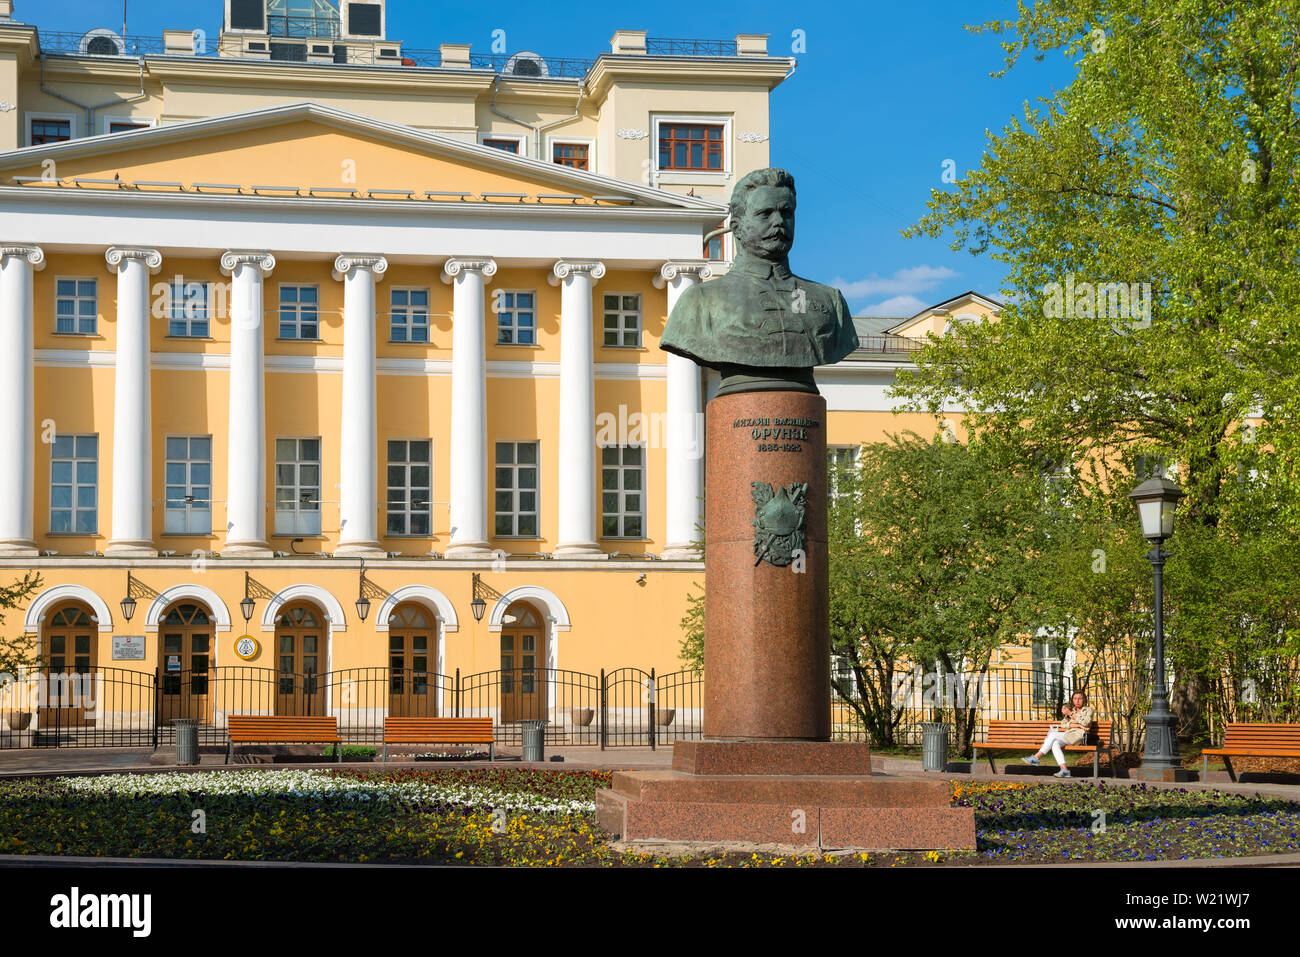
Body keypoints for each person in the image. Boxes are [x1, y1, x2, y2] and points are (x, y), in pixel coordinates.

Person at [1022, 690, 1095, 778]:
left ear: (1084, 700)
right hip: (1069, 734)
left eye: (1080, 699)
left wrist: (1071, 715)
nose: (1077, 701)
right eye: (1075, 698)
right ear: (1073, 700)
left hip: (1079, 736)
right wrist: (1078, 725)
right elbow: (1063, 724)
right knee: (1055, 744)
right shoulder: (1072, 710)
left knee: (1053, 735)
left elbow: (1086, 723)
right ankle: (1064, 770)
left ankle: (1036, 757)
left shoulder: (1088, 710)